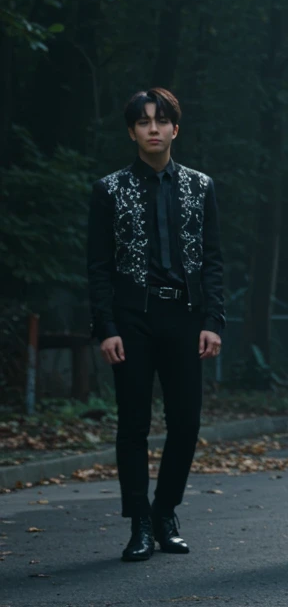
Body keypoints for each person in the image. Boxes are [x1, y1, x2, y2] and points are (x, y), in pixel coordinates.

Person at [88, 87, 224, 561]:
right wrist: (106, 326)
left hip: (184, 316)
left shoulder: (200, 186)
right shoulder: (109, 189)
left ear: (174, 129)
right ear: (132, 131)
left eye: (160, 120)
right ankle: (139, 522)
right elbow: (98, 265)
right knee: (134, 423)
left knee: (186, 421)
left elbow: (212, 260)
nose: (152, 128)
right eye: (143, 122)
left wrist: (214, 319)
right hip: (132, 317)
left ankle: (166, 510)